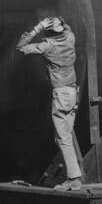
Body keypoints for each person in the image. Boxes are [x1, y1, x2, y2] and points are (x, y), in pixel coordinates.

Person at [17, 14, 83, 190]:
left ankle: (73, 178)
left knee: (63, 138)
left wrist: (38, 27)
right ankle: (75, 175)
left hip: (61, 94)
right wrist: (60, 22)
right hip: (72, 92)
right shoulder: (70, 38)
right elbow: (67, 29)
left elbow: (21, 47)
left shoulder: (48, 46)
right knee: (65, 135)